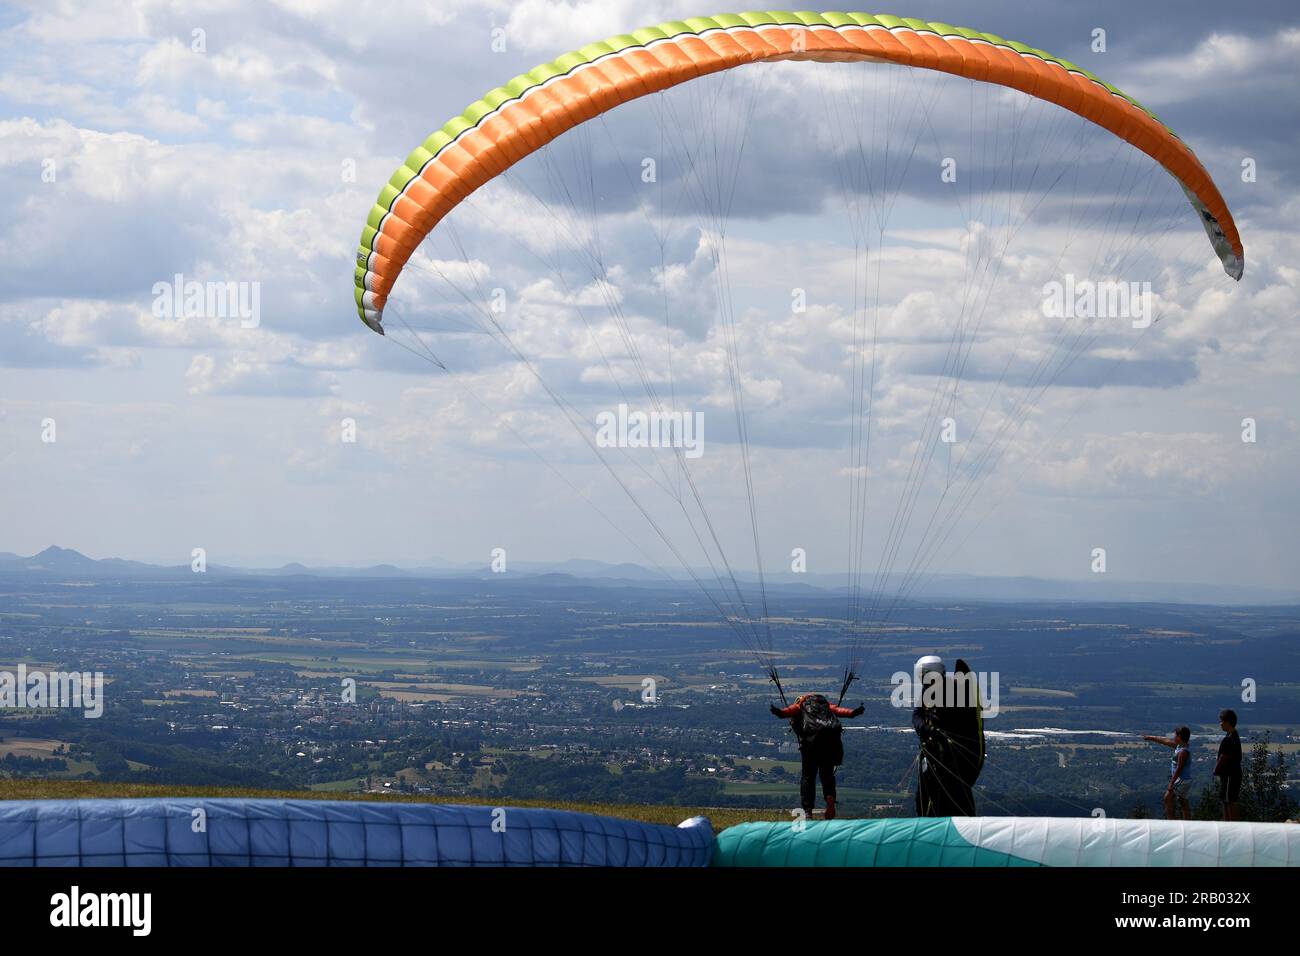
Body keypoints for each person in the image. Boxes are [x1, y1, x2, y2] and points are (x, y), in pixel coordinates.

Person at [771, 693, 863, 819]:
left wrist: (779, 712)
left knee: (808, 777)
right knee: (827, 775)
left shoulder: (801, 705)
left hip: (811, 746)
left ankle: (808, 810)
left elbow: (788, 711)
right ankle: (830, 797)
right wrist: (853, 713)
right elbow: (840, 711)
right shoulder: (825, 705)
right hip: (830, 745)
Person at [912, 655, 975, 817]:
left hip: (950, 758)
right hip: (931, 754)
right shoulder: (927, 691)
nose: (921, 678)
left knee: (952, 797)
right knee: (923, 798)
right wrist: (927, 729)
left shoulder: (954, 692)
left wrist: (938, 732)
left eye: (923, 674)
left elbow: (960, 722)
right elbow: (917, 715)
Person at [1143, 727, 1193, 820]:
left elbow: (1179, 768)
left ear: (1180, 737)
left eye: (1175, 735)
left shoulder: (1183, 751)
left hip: (1182, 779)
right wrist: (1151, 737)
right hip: (1185, 780)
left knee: (1167, 798)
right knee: (1183, 801)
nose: (1174, 737)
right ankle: (1188, 822)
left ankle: (1172, 822)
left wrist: (1172, 783)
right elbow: (1164, 741)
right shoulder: (1179, 746)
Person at [1212, 709, 1243, 822]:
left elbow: (1223, 757)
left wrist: (1216, 770)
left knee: (1229, 801)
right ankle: (1229, 823)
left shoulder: (1228, 739)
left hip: (1230, 775)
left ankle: (1230, 825)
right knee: (1228, 800)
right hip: (1234, 774)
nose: (1220, 723)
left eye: (1222, 721)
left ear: (1228, 722)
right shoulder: (1234, 735)